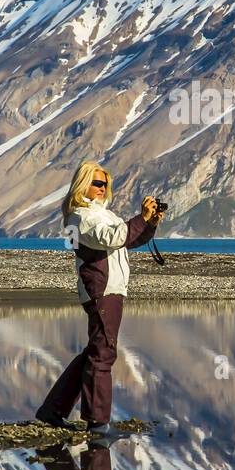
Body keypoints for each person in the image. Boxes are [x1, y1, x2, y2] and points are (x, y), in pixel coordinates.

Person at [35, 160, 163, 430]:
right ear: (83, 184)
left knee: (95, 350)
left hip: (109, 288)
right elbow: (111, 238)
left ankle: (52, 410)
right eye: (97, 183)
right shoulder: (80, 216)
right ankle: (97, 422)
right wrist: (139, 219)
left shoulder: (103, 214)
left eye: (106, 183)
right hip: (102, 288)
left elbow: (127, 239)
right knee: (103, 353)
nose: (103, 188)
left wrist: (149, 224)